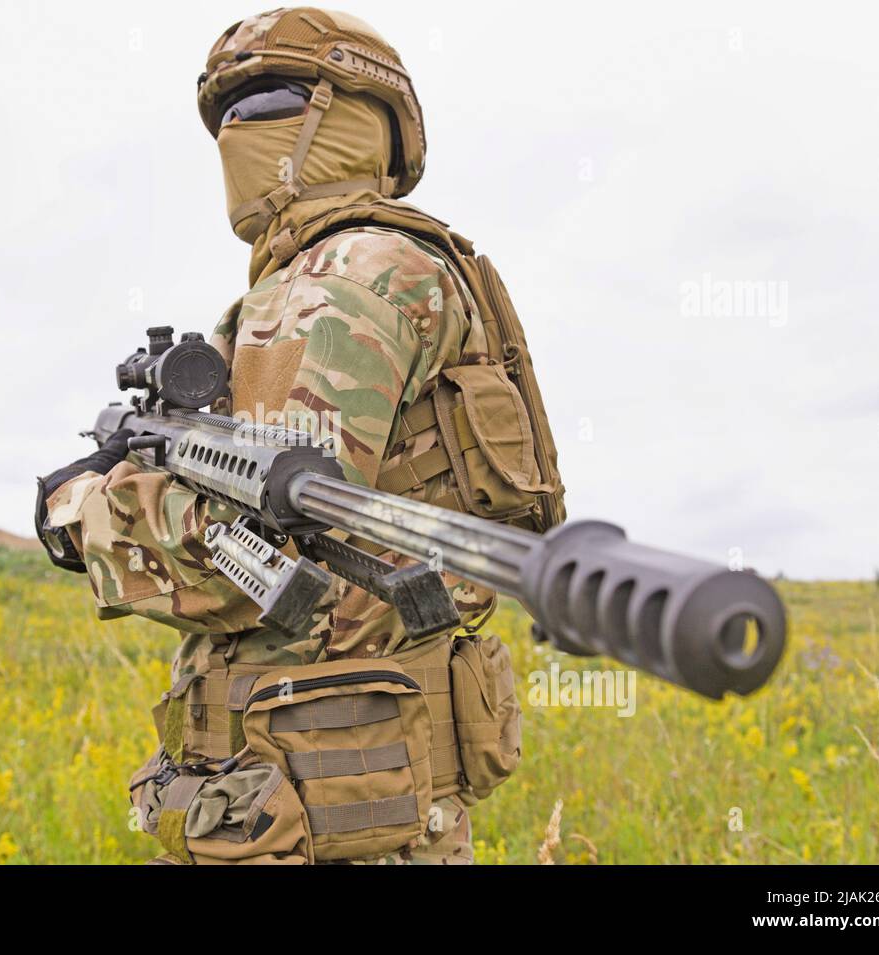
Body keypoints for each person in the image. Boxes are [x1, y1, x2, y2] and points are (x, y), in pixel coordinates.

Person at [38, 7, 565, 864]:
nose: (239, 133)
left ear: (355, 124)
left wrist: (82, 511)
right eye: (229, 112)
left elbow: (254, 562)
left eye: (271, 99)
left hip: (319, 804)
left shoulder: (342, 275)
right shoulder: (385, 268)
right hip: (351, 787)